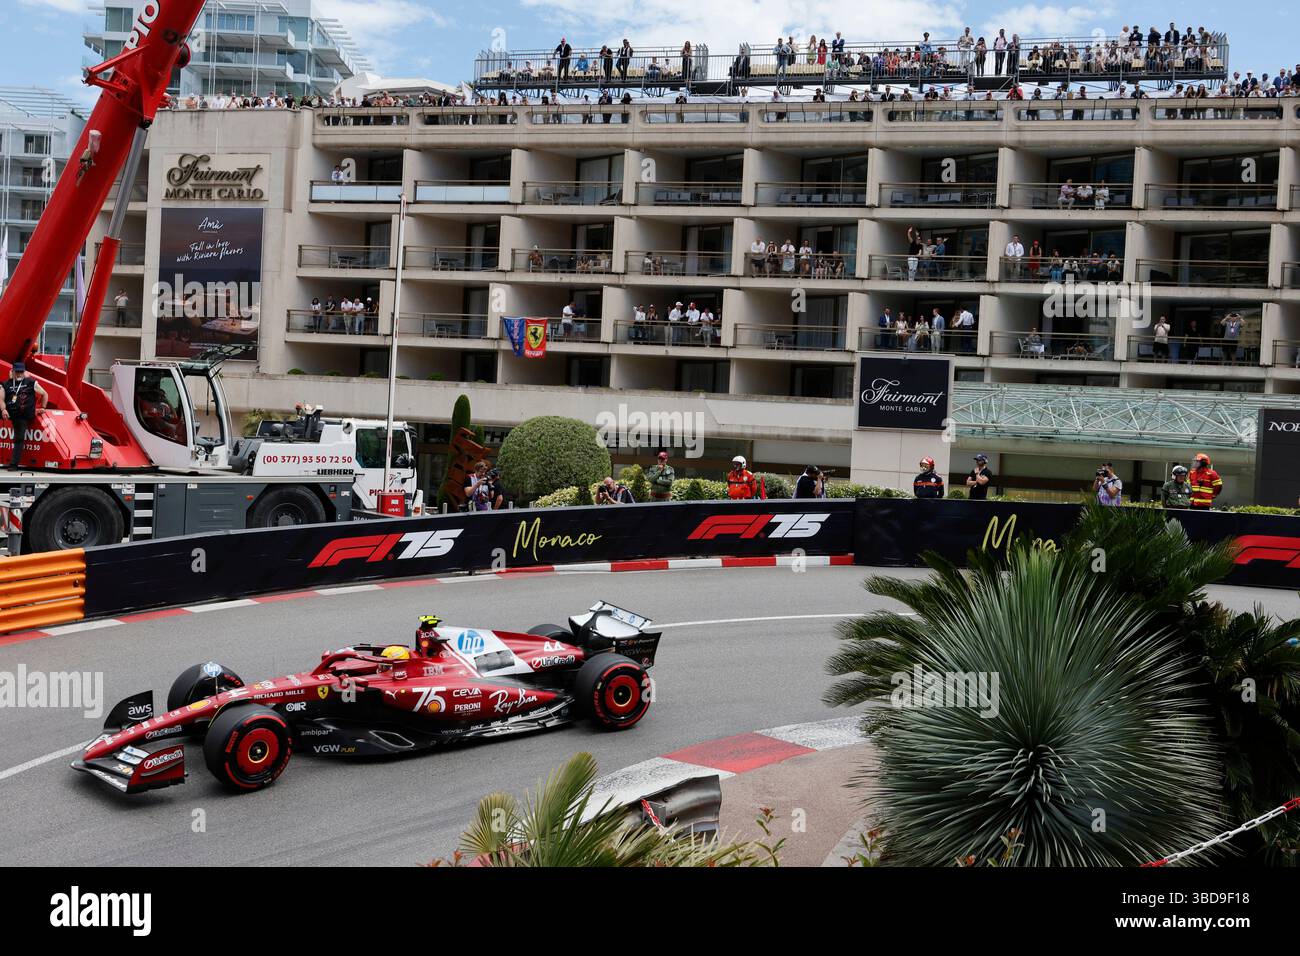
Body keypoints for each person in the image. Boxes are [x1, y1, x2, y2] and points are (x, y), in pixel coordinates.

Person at [2, 362, 48, 468]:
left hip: (22, 417)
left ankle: (14, 464)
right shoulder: (6, 384)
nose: (19, 374)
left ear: (24, 372)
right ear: (12, 371)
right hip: (9, 415)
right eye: (16, 372)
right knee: (18, 437)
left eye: (21, 372)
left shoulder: (31, 382)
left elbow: (45, 394)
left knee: (19, 438)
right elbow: (1, 398)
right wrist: (3, 409)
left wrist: (43, 408)